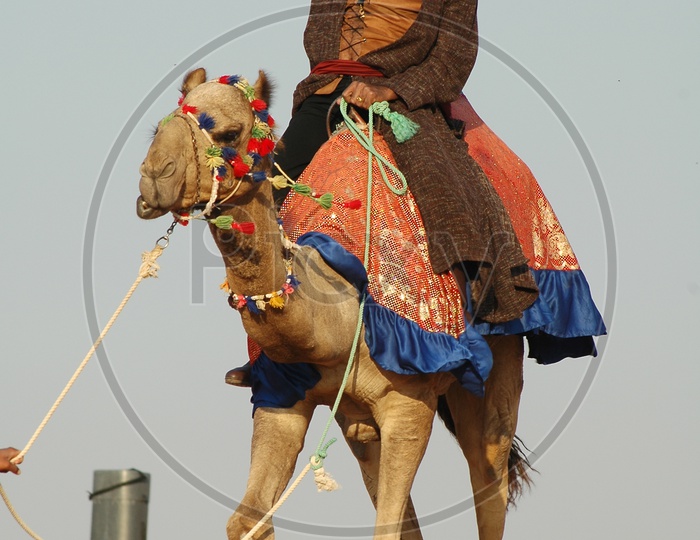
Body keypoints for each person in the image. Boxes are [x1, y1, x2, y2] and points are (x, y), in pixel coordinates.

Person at [225, 0, 539, 387]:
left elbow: (452, 61)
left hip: (403, 103)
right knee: (261, 204)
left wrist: (389, 88)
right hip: (323, 98)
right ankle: (265, 355)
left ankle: (466, 328)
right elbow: (320, 42)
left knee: (451, 202)